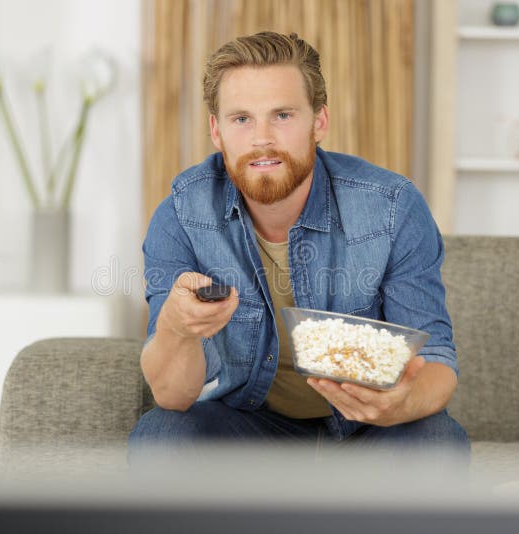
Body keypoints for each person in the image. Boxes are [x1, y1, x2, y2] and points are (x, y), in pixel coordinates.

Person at [129, 31, 468, 461]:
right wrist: (177, 329)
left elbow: (437, 359)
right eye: (241, 119)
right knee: (161, 437)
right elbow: (172, 396)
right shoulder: (181, 213)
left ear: (319, 121)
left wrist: (400, 404)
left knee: (439, 443)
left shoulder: (392, 207)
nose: (262, 139)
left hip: (369, 430)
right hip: (247, 426)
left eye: (283, 115)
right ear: (216, 130)